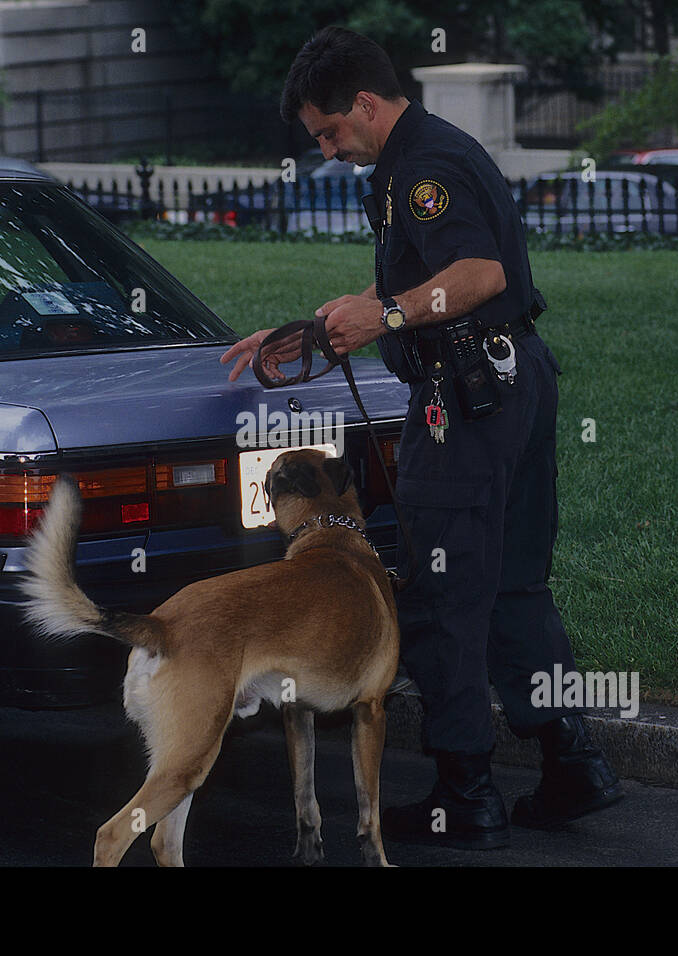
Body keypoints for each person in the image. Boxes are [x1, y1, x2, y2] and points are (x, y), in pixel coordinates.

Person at [221, 26, 622, 850]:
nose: (329, 150)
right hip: (513, 384)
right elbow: (415, 282)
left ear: (365, 104)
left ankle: (465, 796)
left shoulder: (423, 170)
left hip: (465, 399)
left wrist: (390, 315)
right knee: (514, 584)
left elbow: (478, 277)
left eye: (330, 131)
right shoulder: (428, 153)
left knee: (442, 597)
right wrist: (320, 332)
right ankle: (572, 761)